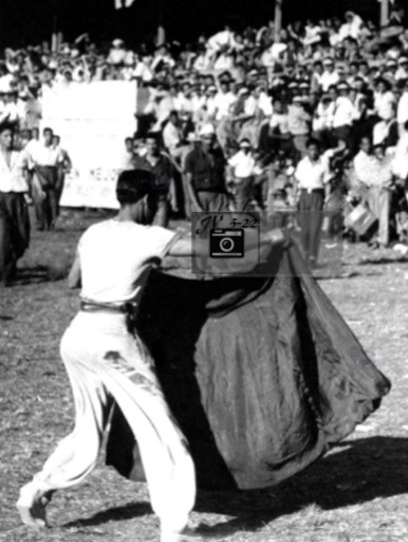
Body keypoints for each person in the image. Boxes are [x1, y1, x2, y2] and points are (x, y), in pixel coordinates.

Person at [16, 170, 284, 541]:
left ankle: (35, 490)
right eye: (155, 202)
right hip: (114, 342)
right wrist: (265, 238)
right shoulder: (148, 237)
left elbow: (72, 281)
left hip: (78, 335)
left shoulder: (93, 232)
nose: (157, 208)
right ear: (144, 201)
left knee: (86, 431)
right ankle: (174, 529)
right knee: (162, 433)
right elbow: (204, 247)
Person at [0, 121, 32, 283]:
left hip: (18, 199)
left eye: (11, 135)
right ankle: (5, 274)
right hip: (1, 199)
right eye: (6, 136)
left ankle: (11, 266)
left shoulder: (22, 154)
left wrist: (34, 191)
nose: (10, 139)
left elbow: (31, 173)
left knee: (21, 237)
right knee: (4, 236)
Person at [294, 139, 331, 265]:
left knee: (315, 228)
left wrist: (326, 199)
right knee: (304, 229)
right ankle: (304, 254)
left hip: (317, 195)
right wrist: (294, 198)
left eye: (315, 149)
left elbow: (327, 182)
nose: (313, 152)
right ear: (307, 151)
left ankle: (313, 256)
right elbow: (296, 181)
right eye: (310, 149)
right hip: (304, 195)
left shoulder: (323, 163)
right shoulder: (302, 164)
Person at [132, 134, 177, 227]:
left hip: (161, 199)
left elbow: (171, 179)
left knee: (160, 231)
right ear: (145, 145)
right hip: (144, 201)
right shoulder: (138, 161)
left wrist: (174, 199)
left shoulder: (165, 160)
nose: (151, 147)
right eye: (149, 144)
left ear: (158, 145)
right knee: (142, 229)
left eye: (154, 144)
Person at [182, 124, 228, 213]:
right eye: (206, 138)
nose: (209, 141)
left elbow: (223, 175)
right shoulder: (192, 156)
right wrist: (196, 205)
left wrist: (225, 197)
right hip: (201, 196)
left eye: (211, 138)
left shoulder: (218, 154)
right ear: (201, 139)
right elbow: (189, 182)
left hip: (218, 195)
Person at [28, 127, 65, 231]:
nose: (48, 138)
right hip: (40, 172)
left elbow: (60, 165)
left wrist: (59, 179)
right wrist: (38, 177)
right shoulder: (38, 148)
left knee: (52, 200)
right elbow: (33, 164)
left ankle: (51, 223)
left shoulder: (57, 150)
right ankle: (40, 223)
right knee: (40, 200)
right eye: (47, 135)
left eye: (50, 136)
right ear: (43, 136)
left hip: (52, 173)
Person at [227, 137, 263, 212]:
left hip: (250, 180)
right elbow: (229, 167)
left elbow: (253, 167)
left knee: (247, 201)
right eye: (243, 147)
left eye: (246, 147)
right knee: (241, 201)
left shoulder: (251, 156)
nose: (245, 149)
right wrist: (233, 178)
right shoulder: (238, 156)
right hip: (241, 180)